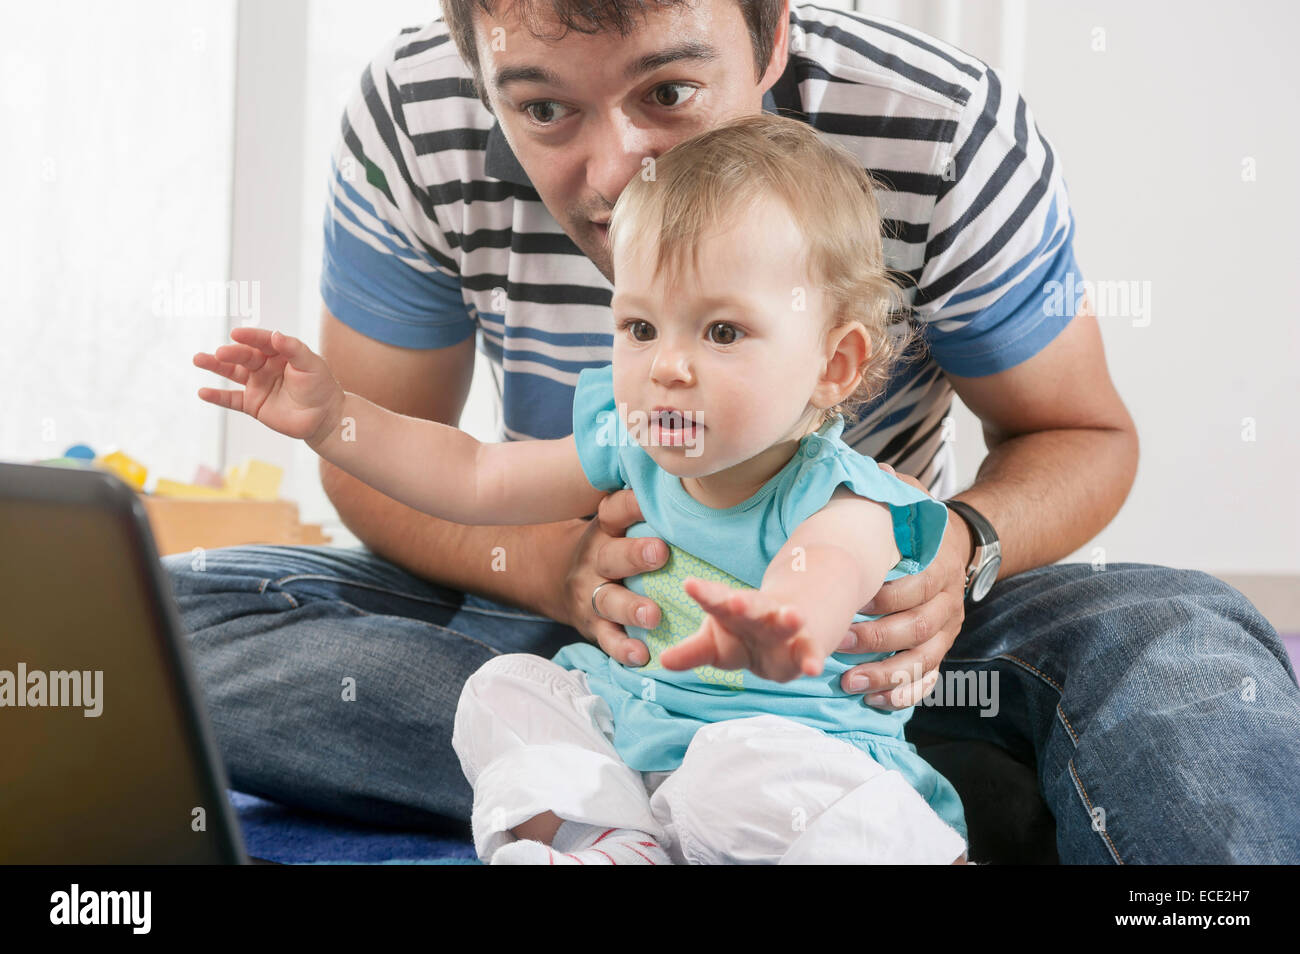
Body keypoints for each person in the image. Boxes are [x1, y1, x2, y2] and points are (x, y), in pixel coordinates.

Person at [166, 0, 1300, 862]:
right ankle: (673, 817)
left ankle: (865, 790)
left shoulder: (945, 128)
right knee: (174, 617)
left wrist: (947, 556)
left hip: (884, 652)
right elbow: (453, 469)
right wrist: (542, 564)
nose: (619, 175)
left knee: (1180, 632)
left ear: (772, 42)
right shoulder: (424, 118)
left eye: (667, 93)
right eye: (546, 108)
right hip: (597, 648)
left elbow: (1075, 438)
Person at [195, 112, 970, 864]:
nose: (667, 365)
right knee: (508, 690)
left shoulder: (845, 498)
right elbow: (475, 476)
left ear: (832, 365)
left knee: (731, 776)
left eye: (722, 332)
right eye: (640, 328)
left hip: (787, 776)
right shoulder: (630, 441)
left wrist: (781, 623)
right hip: (640, 744)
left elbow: (826, 568)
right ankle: (607, 843)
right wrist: (336, 420)